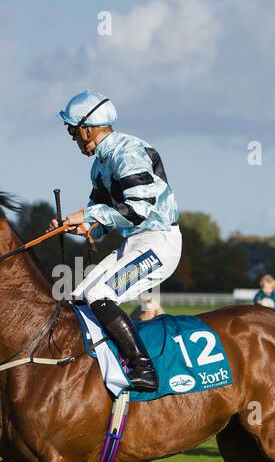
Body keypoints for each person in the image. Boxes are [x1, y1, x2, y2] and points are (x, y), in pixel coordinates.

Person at [50, 90, 181, 392]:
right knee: (80, 297)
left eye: (73, 130)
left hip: (159, 242)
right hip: (135, 242)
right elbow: (101, 225)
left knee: (99, 292)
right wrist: (80, 228)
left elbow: (138, 209)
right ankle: (95, 368)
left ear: (87, 128)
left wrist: (85, 214)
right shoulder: (99, 167)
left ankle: (143, 369)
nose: (73, 138)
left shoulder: (128, 153)